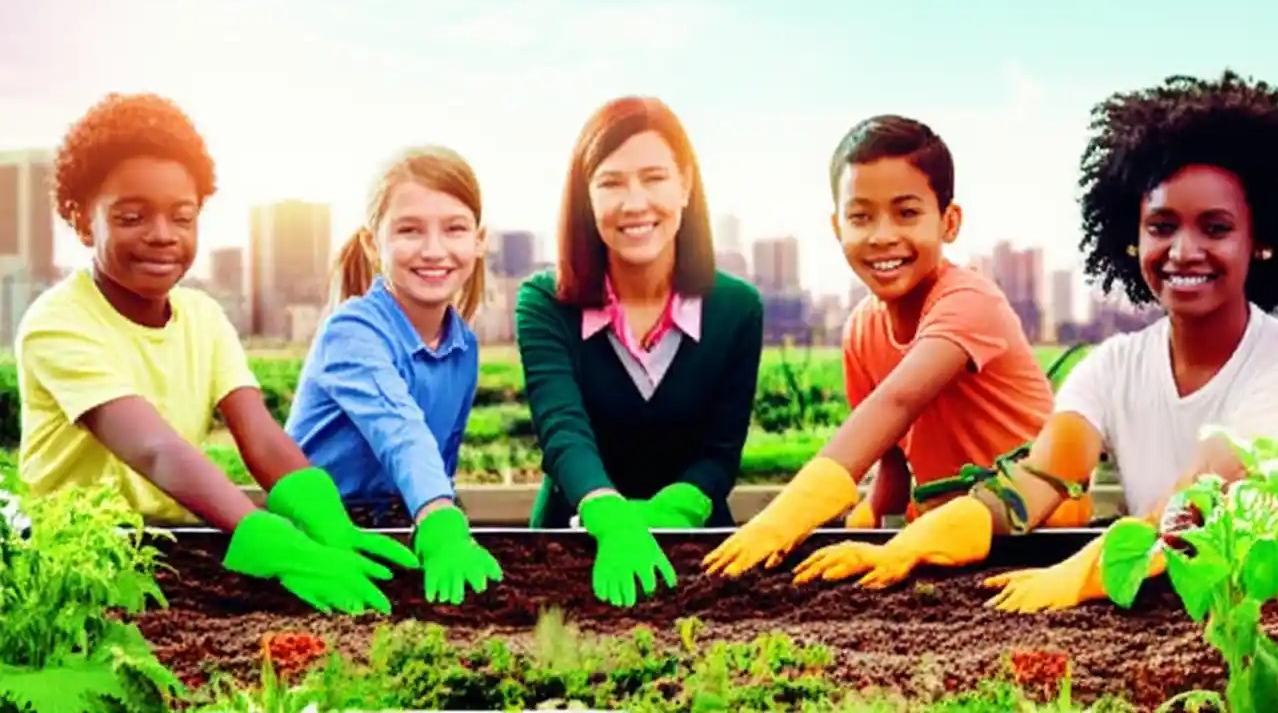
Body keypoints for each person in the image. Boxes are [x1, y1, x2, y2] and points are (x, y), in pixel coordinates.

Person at [796, 70, 1278, 606]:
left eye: (1215, 228)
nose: (1184, 251)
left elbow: (1194, 501)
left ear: (1260, 241)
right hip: (1163, 609)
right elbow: (1031, 484)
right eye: (1162, 227)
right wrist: (907, 547)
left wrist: (1075, 578)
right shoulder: (1111, 367)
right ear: (1130, 236)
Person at [15, 92, 416, 615]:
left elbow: (260, 434)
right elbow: (154, 447)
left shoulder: (202, 316)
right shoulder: (58, 321)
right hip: (68, 559)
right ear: (82, 220)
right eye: (132, 216)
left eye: (182, 217)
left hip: (170, 548)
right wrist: (266, 537)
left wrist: (327, 521)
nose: (162, 235)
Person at [704, 114, 1061, 579]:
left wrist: (784, 517)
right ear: (837, 226)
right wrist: (868, 518)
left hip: (1037, 535)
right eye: (861, 217)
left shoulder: (969, 301)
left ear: (949, 221)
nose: (882, 235)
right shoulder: (862, 330)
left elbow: (898, 401)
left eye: (907, 213)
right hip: (931, 546)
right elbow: (890, 459)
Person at [514, 96, 764, 607]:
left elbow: (719, 453)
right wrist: (608, 513)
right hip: (570, 552)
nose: (634, 202)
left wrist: (673, 512)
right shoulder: (544, 302)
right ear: (586, 197)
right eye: (611, 182)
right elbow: (561, 429)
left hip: (696, 558)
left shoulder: (737, 309)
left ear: (686, 185)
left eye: (654, 178)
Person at [286, 146, 503, 606]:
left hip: (405, 533)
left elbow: (438, 463)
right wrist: (442, 521)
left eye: (455, 229)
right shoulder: (351, 331)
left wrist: (441, 526)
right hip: (325, 543)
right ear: (372, 243)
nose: (433, 250)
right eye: (409, 230)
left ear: (479, 239)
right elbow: (400, 430)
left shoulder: (463, 346)